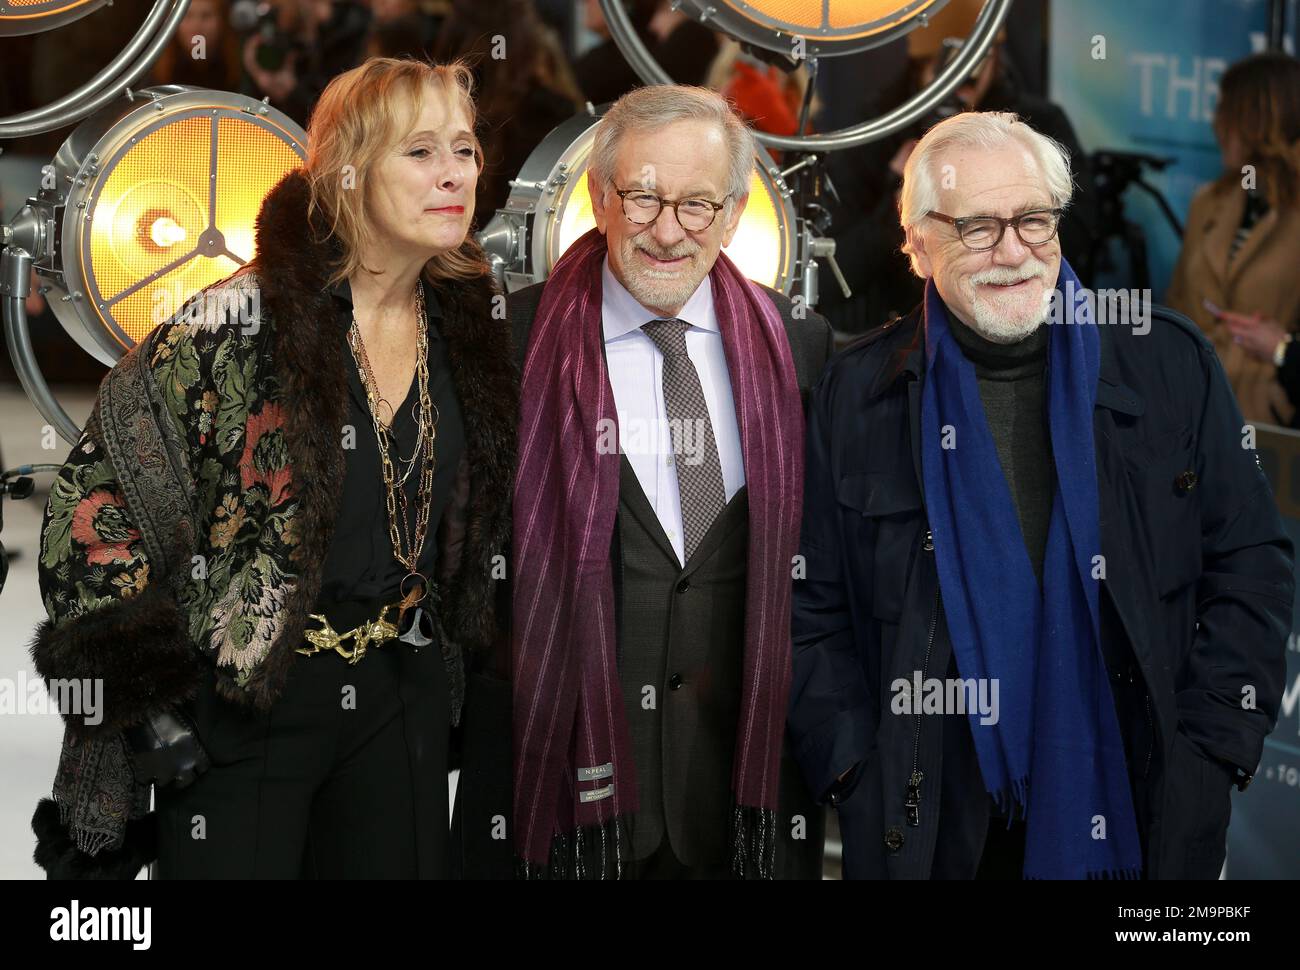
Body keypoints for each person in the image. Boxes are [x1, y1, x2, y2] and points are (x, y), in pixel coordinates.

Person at [30, 57, 516, 879]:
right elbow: (93, 507)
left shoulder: (471, 331)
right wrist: (148, 703)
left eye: (464, 151)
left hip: (403, 687)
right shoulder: (237, 320)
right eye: (421, 152)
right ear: (348, 170)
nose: (454, 176)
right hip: (253, 697)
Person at [788, 110, 1293, 879]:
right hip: (928, 827)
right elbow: (807, 606)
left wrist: (1212, 754)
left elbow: (1250, 568)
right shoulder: (855, 395)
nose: (1014, 252)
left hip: (1142, 811)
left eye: (1032, 220)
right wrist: (856, 770)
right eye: (978, 228)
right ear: (917, 243)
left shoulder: (1169, 367)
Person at [486, 84, 832, 879]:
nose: (668, 232)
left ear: (736, 211)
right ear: (600, 196)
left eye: (697, 205)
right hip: (568, 802)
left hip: (739, 803)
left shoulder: (803, 349)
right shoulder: (513, 344)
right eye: (642, 197)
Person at [1166, 52, 1300, 427]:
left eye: (1226, 110)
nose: (1216, 124)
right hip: (1187, 413)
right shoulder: (1208, 202)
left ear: (1260, 119)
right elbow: (1176, 304)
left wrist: (1283, 351)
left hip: (1269, 428)